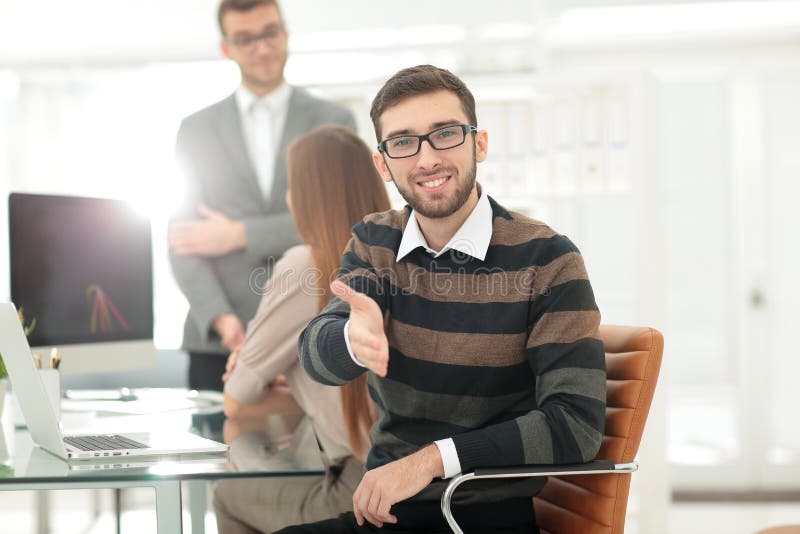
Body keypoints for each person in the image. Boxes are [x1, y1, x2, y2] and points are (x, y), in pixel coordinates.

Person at [281, 65, 607, 533]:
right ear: (384, 164)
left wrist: (432, 460)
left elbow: (575, 424)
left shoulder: (547, 259)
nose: (427, 158)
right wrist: (353, 339)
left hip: (479, 519)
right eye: (403, 142)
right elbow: (317, 356)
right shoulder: (376, 241)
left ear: (479, 143)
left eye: (445, 134)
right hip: (386, 516)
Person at [168, 0, 356, 391]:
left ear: (285, 34)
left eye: (270, 33)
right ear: (227, 48)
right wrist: (220, 318)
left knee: (319, 452)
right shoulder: (195, 129)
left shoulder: (333, 122)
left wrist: (238, 234)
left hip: (312, 332)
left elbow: (339, 224)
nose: (262, 48)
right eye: (245, 38)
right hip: (220, 340)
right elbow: (182, 240)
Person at [213, 125, 392, 534]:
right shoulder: (401, 259)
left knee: (229, 493)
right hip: (395, 479)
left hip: (359, 490)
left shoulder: (305, 266)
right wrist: (291, 384)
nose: (289, 200)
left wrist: (260, 381)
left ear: (311, 197)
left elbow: (235, 400)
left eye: (293, 188)